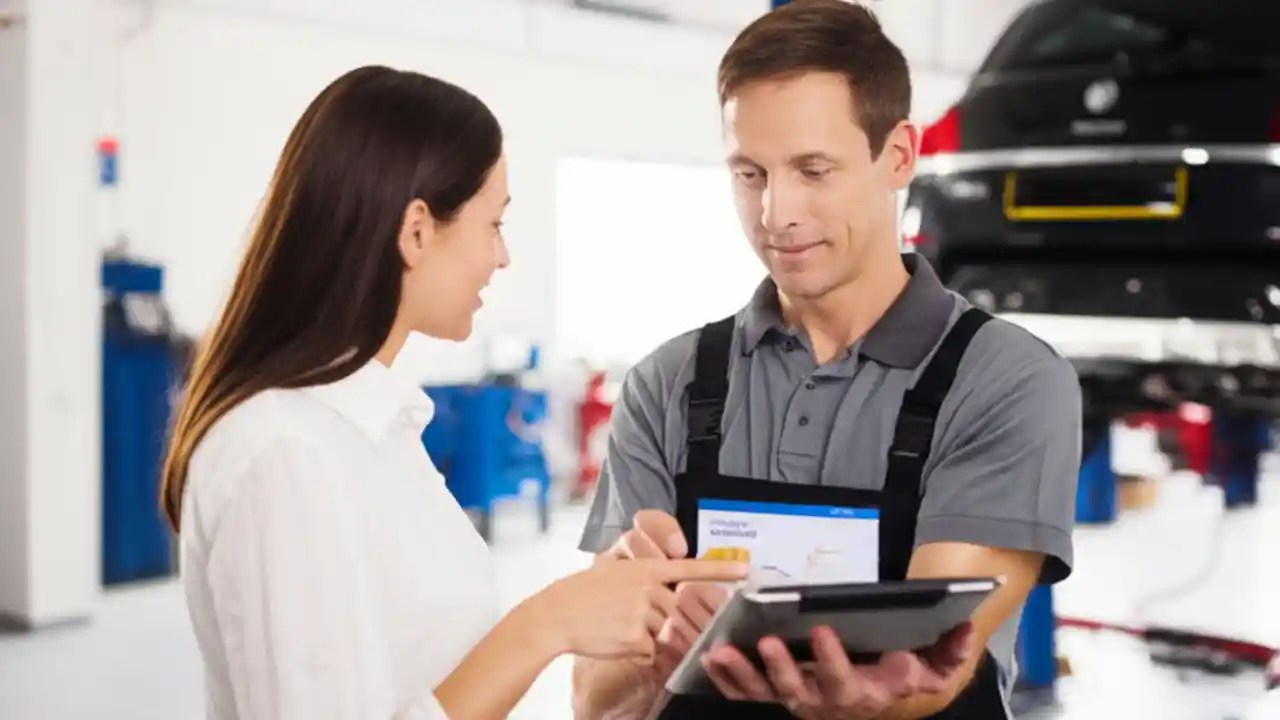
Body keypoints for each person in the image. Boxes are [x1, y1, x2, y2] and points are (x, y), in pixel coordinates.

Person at [161, 65, 747, 720]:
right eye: (493, 224)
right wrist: (547, 623)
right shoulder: (284, 452)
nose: (503, 258)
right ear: (416, 231)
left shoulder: (372, 426)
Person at [572, 2, 1082, 719]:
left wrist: (834, 685)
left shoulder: (1006, 381)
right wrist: (650, 646)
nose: (776, 212)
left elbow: (936, 670)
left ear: (898, 156)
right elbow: (596, 705)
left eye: (813, 170)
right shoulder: (668, 384)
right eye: (749, 174)